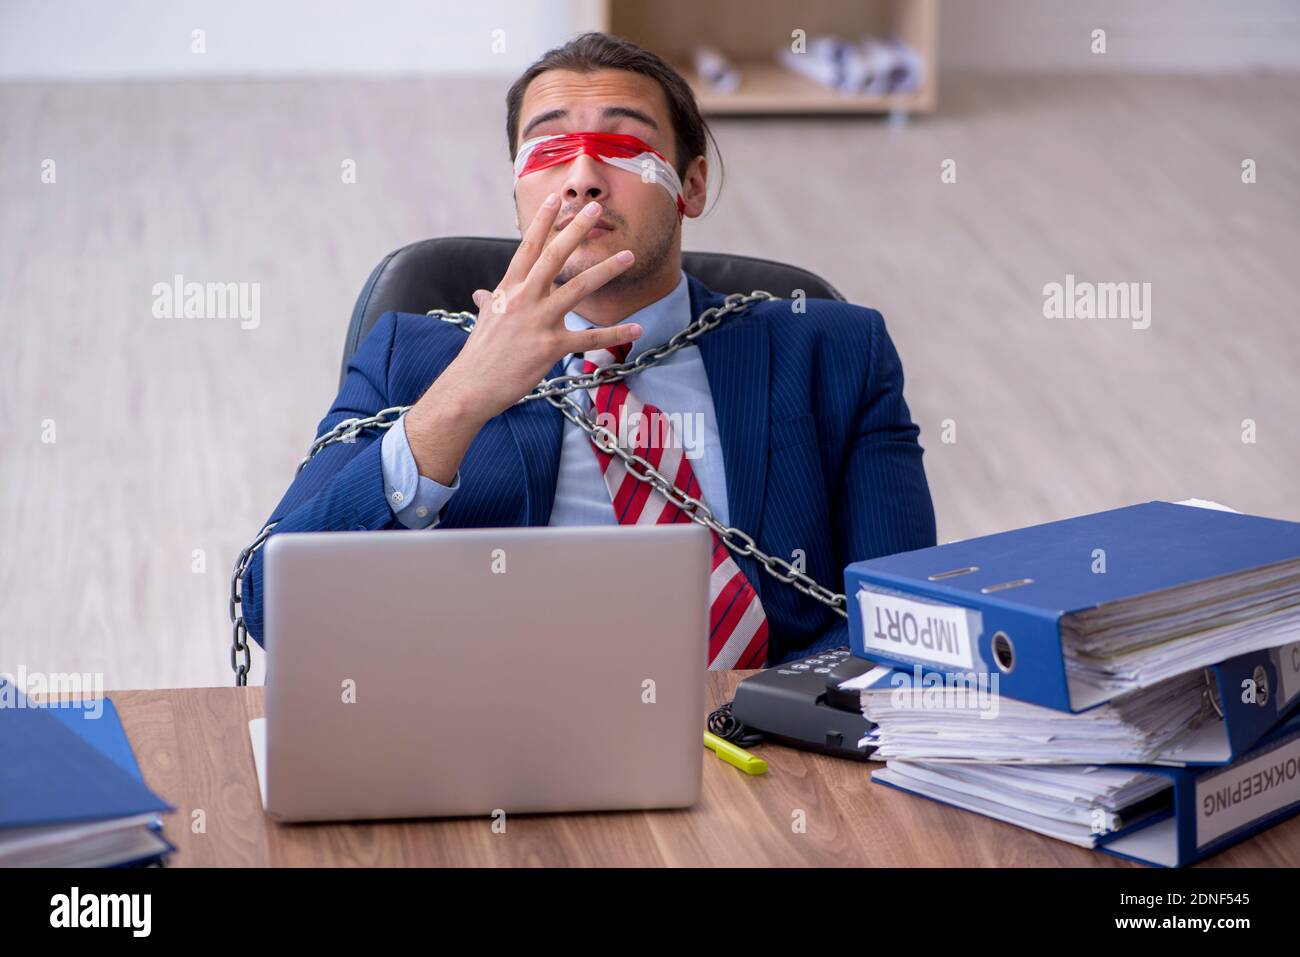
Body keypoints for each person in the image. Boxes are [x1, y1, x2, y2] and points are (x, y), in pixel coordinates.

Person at [239, 32, 937, 668]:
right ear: (517, 194)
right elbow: (275, 604)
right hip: (494, 756)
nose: (581, 177)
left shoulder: (835, 351)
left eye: (626, 147)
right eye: (547, 150)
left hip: (764, 761)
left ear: (691, 185)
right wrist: (459, 399)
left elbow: (905, 618)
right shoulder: (410, 355)